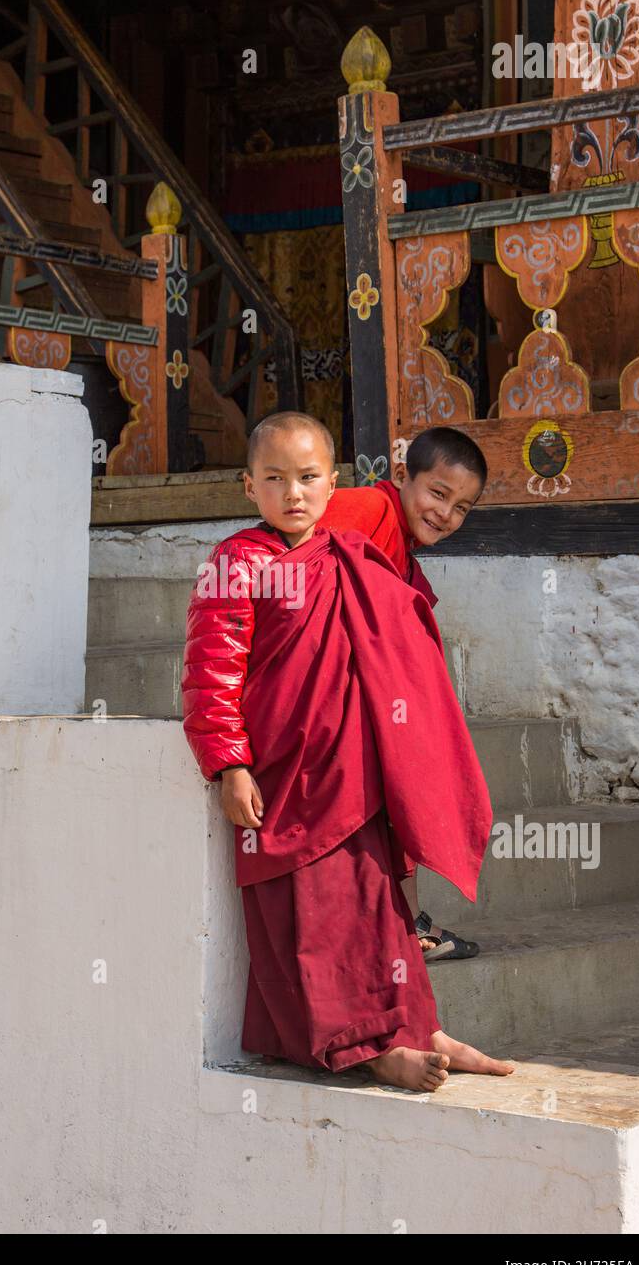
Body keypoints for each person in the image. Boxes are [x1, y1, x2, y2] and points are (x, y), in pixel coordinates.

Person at [181, 411, 515, 1092]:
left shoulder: (345, 546)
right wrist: (228, 762)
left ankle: (418, 1027)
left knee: (377, 906)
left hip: (353, 766)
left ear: (331, 483)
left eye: (308, 478)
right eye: (276, 479)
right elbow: (211, 666)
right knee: (318, 917)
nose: (295, 493)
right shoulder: (241, 561)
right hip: (288, 773)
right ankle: (365, 1047)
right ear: (249, 486)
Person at [318, 428, 487, 961]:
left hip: (362, 697)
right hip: (324, 696)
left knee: (410, 767)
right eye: (438, 494)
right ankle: (404, 928)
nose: (445, 515)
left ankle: (408, 924)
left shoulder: (404, 550)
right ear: (400, 477)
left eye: (461, 508)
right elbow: (299, 558)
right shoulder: (368, 506)